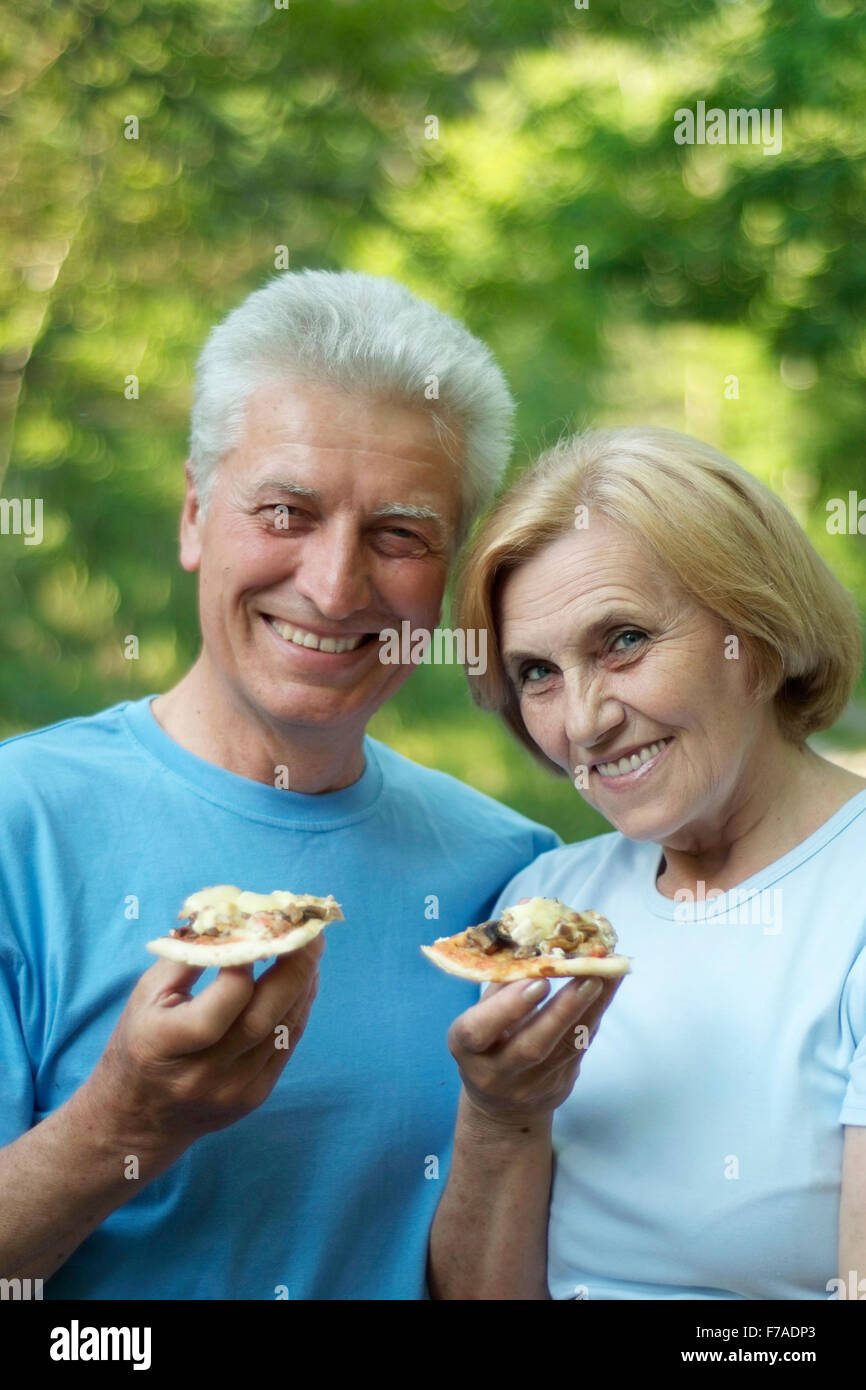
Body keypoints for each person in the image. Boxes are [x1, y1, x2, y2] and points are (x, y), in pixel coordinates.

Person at [0, 269, 575, 1300]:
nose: (333, 583)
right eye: (285, 510)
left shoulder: (512, 875)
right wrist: (122, 1124)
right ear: (192, 515)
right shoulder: (18, 827)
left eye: (398, 534)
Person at [429, 425, 866, 1300]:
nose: (584, 723)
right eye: (538, 674)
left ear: (760, 630)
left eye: (622, 640)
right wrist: (501, 1114)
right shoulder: (547, 903)